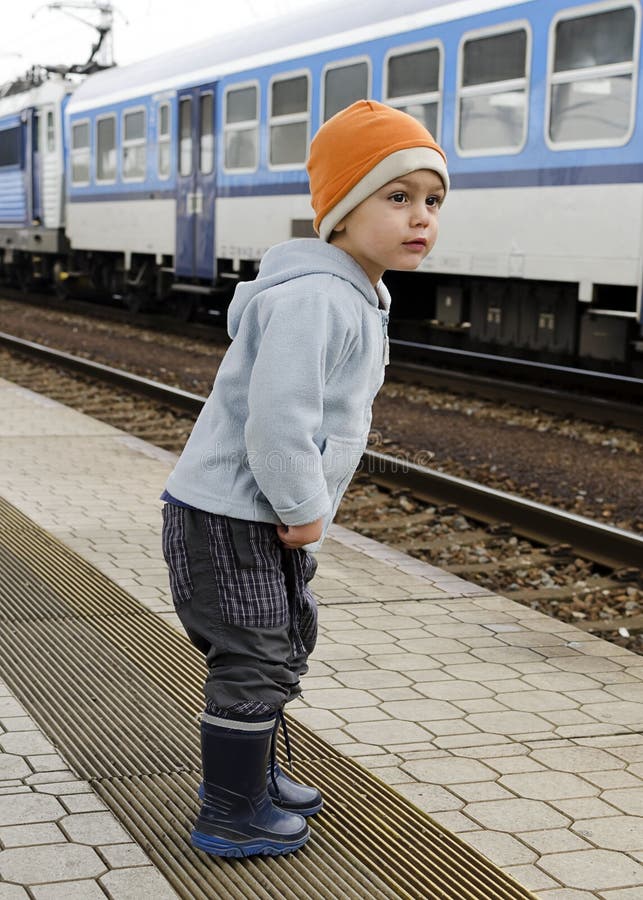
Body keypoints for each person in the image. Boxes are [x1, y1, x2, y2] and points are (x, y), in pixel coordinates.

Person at [161, 99, 449, 859]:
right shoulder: (317, 298)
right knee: (254, 654)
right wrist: (302, 507)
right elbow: (278, 421)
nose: (420, 217)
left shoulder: (354, 293)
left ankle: (253, 777)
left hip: (264, 513)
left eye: (432, 200)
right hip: (234, 512)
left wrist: (302, 510)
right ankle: (230, 812)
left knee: (284, 639)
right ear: (341, 211)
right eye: (397, 197)